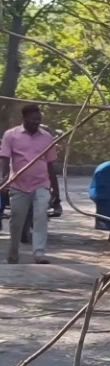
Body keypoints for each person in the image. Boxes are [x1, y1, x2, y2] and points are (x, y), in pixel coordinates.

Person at [0, 104, 63, 265]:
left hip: (41, 184)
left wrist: (55, 191)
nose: (37, 122)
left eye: (39, 120)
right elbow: (5, 158)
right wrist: (4, 177)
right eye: (34, 120)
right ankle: (13, 253)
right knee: (16, 221)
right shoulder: (11, 135)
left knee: (41, 216)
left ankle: (39, 253)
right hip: (18, 184)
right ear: (25, 118)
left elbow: (50, 165)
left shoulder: (47, 138)